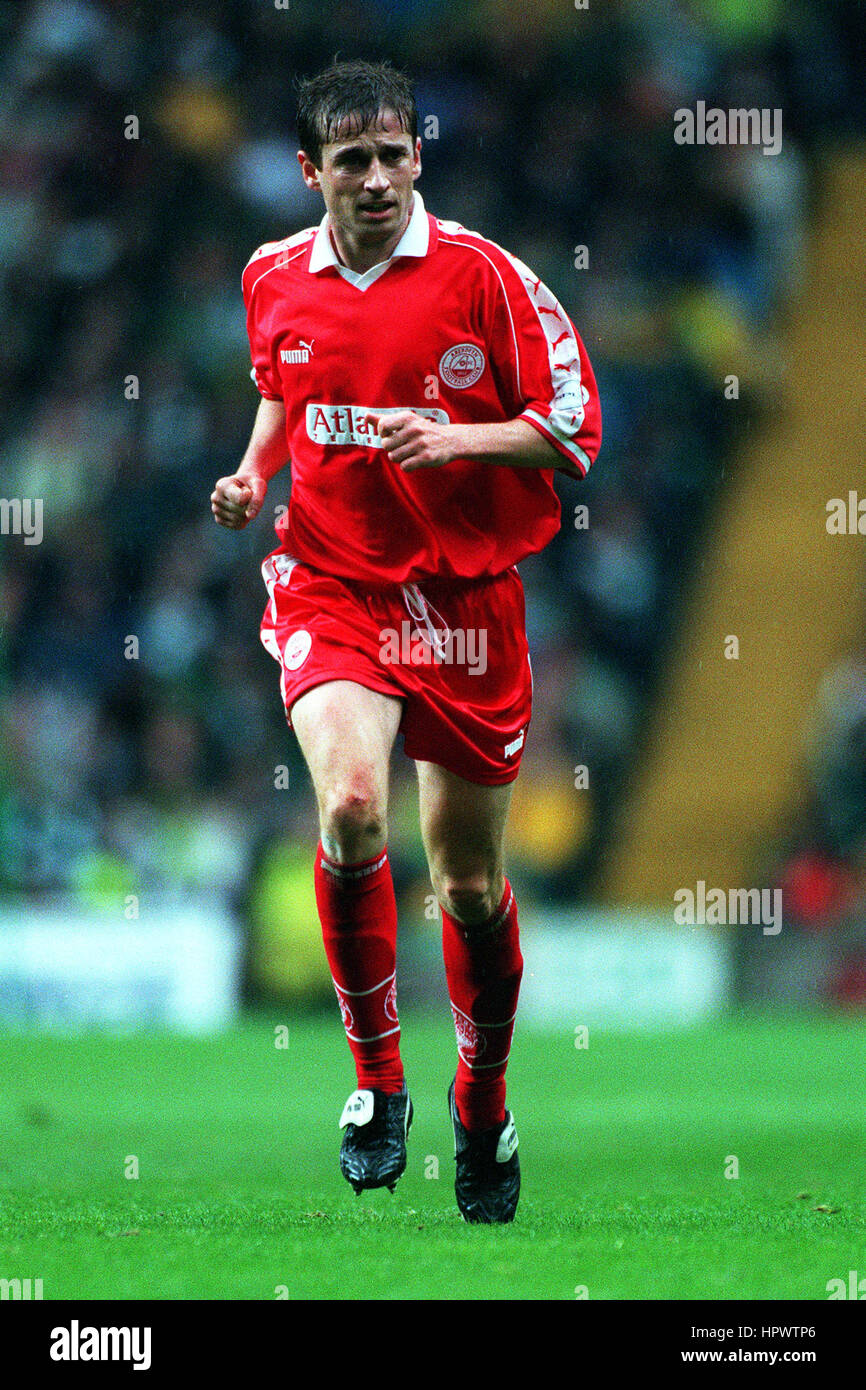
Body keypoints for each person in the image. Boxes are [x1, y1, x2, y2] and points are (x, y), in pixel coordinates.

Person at [211, 59, 601, 1223]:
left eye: (392, 156)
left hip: (466, 606)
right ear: (309, 172)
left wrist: (459, 441)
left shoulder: (486, 278)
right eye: (351, 162)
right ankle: (377, 1084)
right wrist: (250, 469)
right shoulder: (271, 276)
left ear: (416, 156)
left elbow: (574, 430)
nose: (376, 179)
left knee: (470, 885)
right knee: (347, 810)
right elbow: (286, 386)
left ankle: (480, 1099)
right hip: (331, 581)